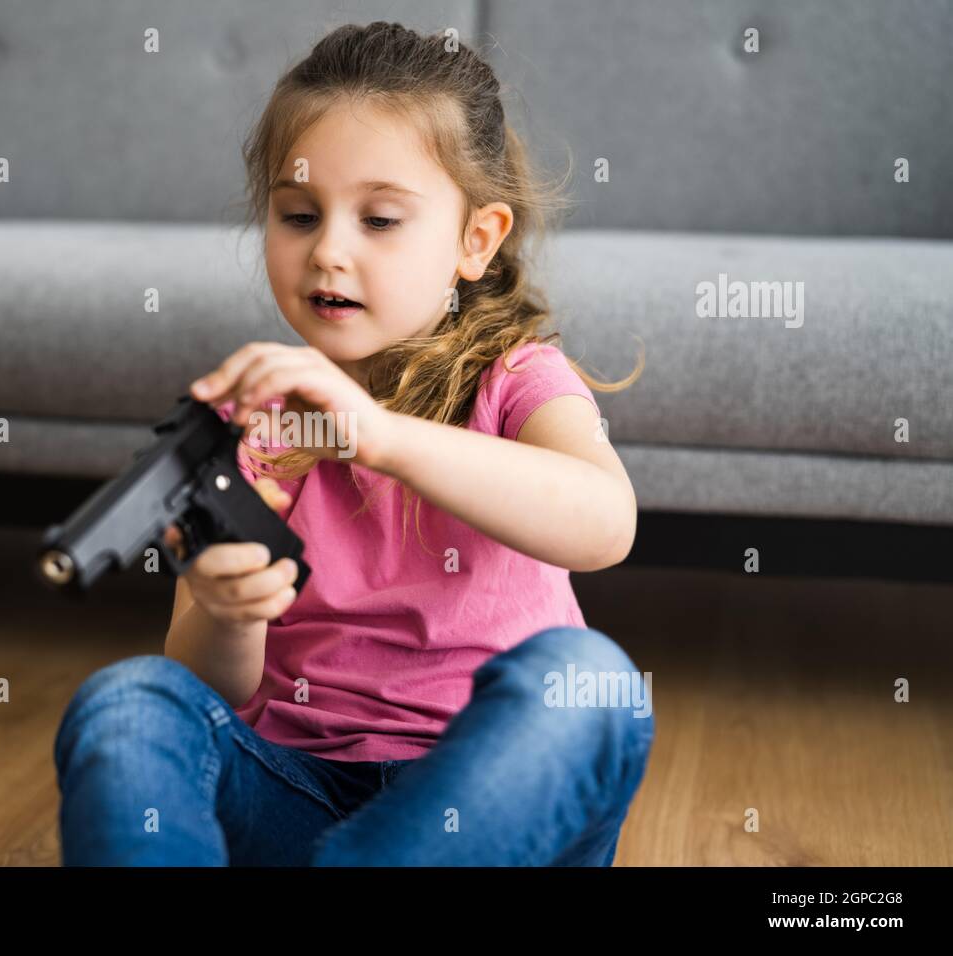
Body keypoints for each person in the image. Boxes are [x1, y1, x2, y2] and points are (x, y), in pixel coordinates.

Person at [55, 20, 651, 866]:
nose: (328, 250)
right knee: (129, 700)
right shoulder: (259, 422)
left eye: (379, 219)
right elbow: (211, 688)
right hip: (296, 796)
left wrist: (379, 435)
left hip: (481, 821)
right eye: (299, 215)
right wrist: (228, 614)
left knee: (588, 685)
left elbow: (604, 523)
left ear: (474, 241)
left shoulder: (520, 379)